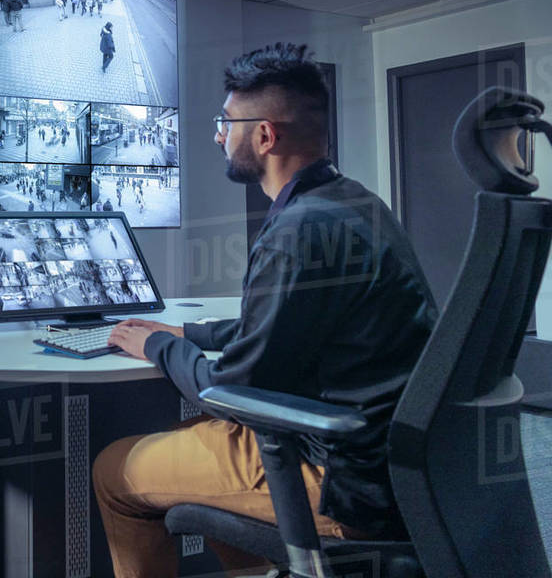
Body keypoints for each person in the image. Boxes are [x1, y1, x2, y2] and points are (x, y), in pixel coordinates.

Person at [93, 43, 437, 577]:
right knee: (195, 443)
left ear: (265, 135)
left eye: (225, 122)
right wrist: (190, 330)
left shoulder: (296, 231)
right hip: (394, 462)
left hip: (340, 481)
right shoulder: (355, 203)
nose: (216, 135)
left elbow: (231, 389)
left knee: (114, 471)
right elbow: (291, 321)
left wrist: (157, 345)